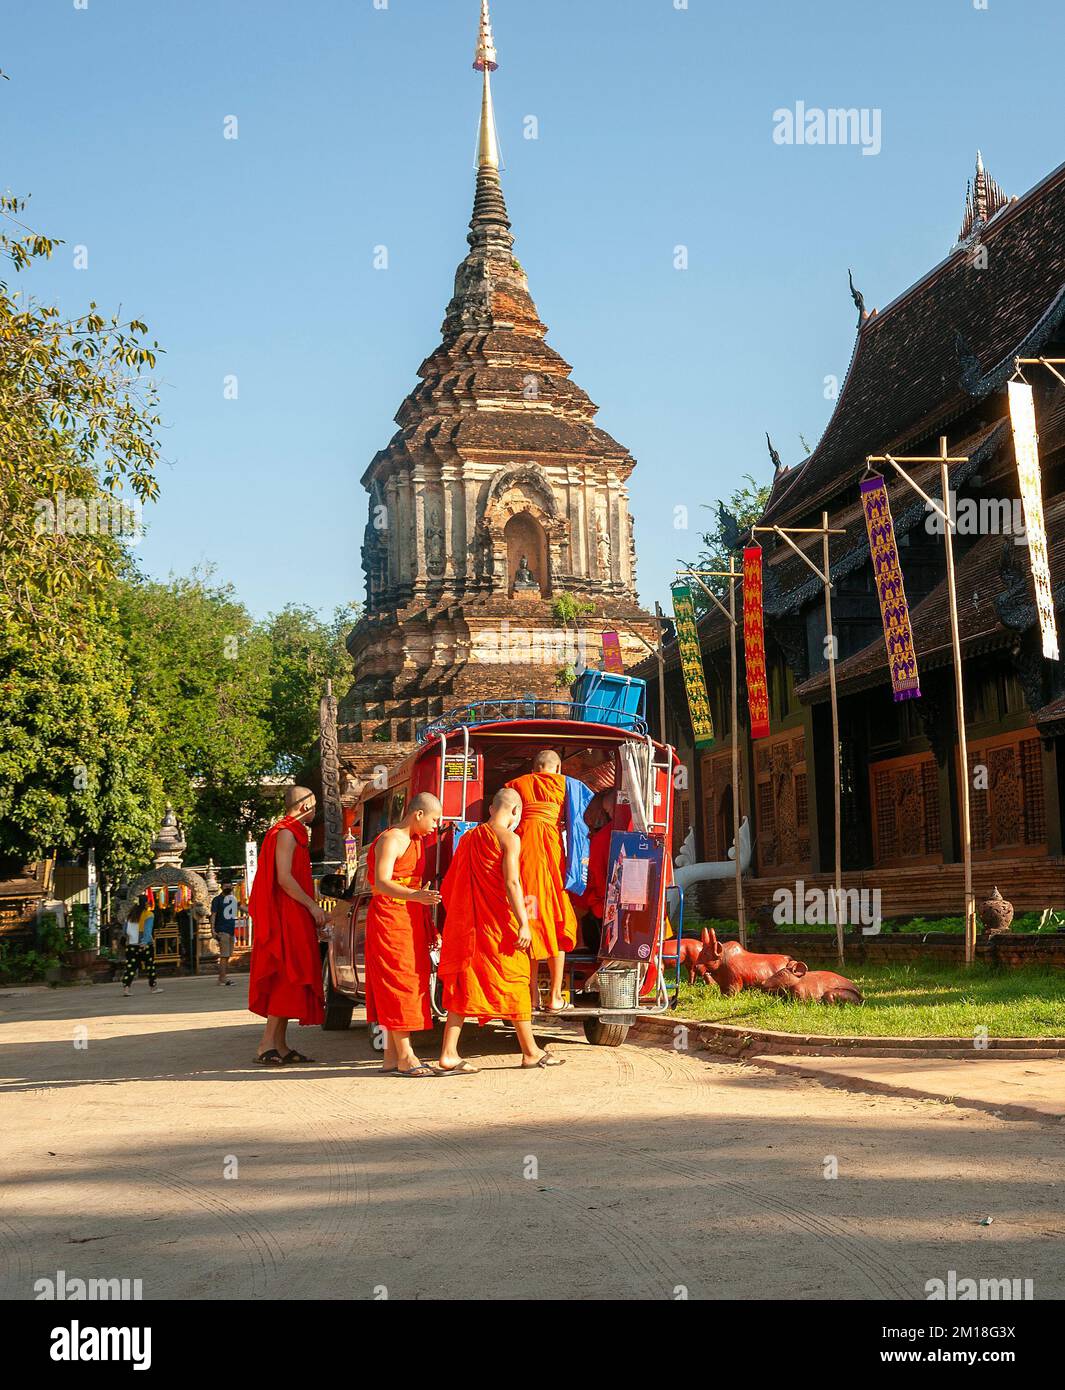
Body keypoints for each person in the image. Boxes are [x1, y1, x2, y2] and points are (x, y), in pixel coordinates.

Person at [437, 788, 564, 1072]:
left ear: (492, 809)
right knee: (517, 981)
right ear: (516, 812)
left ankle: (448, 1052)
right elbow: (512, 884)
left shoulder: (469, 838)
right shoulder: (510, 838)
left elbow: (450, 885)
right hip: (499, 926)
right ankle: (530, 1052)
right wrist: (523, 923)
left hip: (471, 928)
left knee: (465, 985)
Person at [364, 792, 443, 1077]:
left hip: (410, 918)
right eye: (434, 819)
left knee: (412, 980)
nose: (436, 825)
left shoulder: (417, 842)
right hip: (389, 919)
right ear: (418, 814)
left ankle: (390, 1056)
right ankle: (407, 1056)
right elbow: (382, 882)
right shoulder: (391, 839)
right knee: (399, 982)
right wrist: (416, 895)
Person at [248, 786, 326, 1065]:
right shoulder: (285, 833)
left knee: (292, 975)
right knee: (286, 975)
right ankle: (266, 1043)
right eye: (315, 804)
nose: (316, 810)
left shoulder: (293, 832)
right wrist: (312, 905)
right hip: (287, 915)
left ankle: (279, 1045)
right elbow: (284, 878)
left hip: (294, 913)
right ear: (304, 805)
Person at [505, 749, 577, 1013]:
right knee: (559, 925)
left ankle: (531, 994)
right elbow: (578, 821)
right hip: (554, 867)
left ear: (534, 769)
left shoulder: (518, 785)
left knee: (530, 926)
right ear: (557, 769)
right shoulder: (567, 786)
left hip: (526, 864)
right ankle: (555, 997)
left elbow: (506, 814)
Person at [573, 787, 617, 956]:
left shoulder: (601, 838)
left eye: (606, 811)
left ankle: (579, 942)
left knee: (575, 898)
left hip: (603, 898)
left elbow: (595, 874)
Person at [122, 896, 163, 996]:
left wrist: (128, 940)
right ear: (145, 903)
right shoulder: (149, 915)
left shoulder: (129, 915)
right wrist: (145, 942)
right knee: (150, 966)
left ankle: (126, 989)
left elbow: (124, 931)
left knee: (130, 967)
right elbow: (148, 930)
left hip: (131, 945)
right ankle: (153, 987)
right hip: (145, 945)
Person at [211, 881, 238, 986]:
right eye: (226, 886)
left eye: (229, 886)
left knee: (227, 956)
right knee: (224, 955)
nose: (228, 888)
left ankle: (222, 977)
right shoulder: (217, 900)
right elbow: (213, 914)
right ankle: (223, 978)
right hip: (222, 930)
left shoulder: (233, 900)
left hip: (231, 930)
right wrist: (212, 929)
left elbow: (242, 907)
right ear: (221, 887)